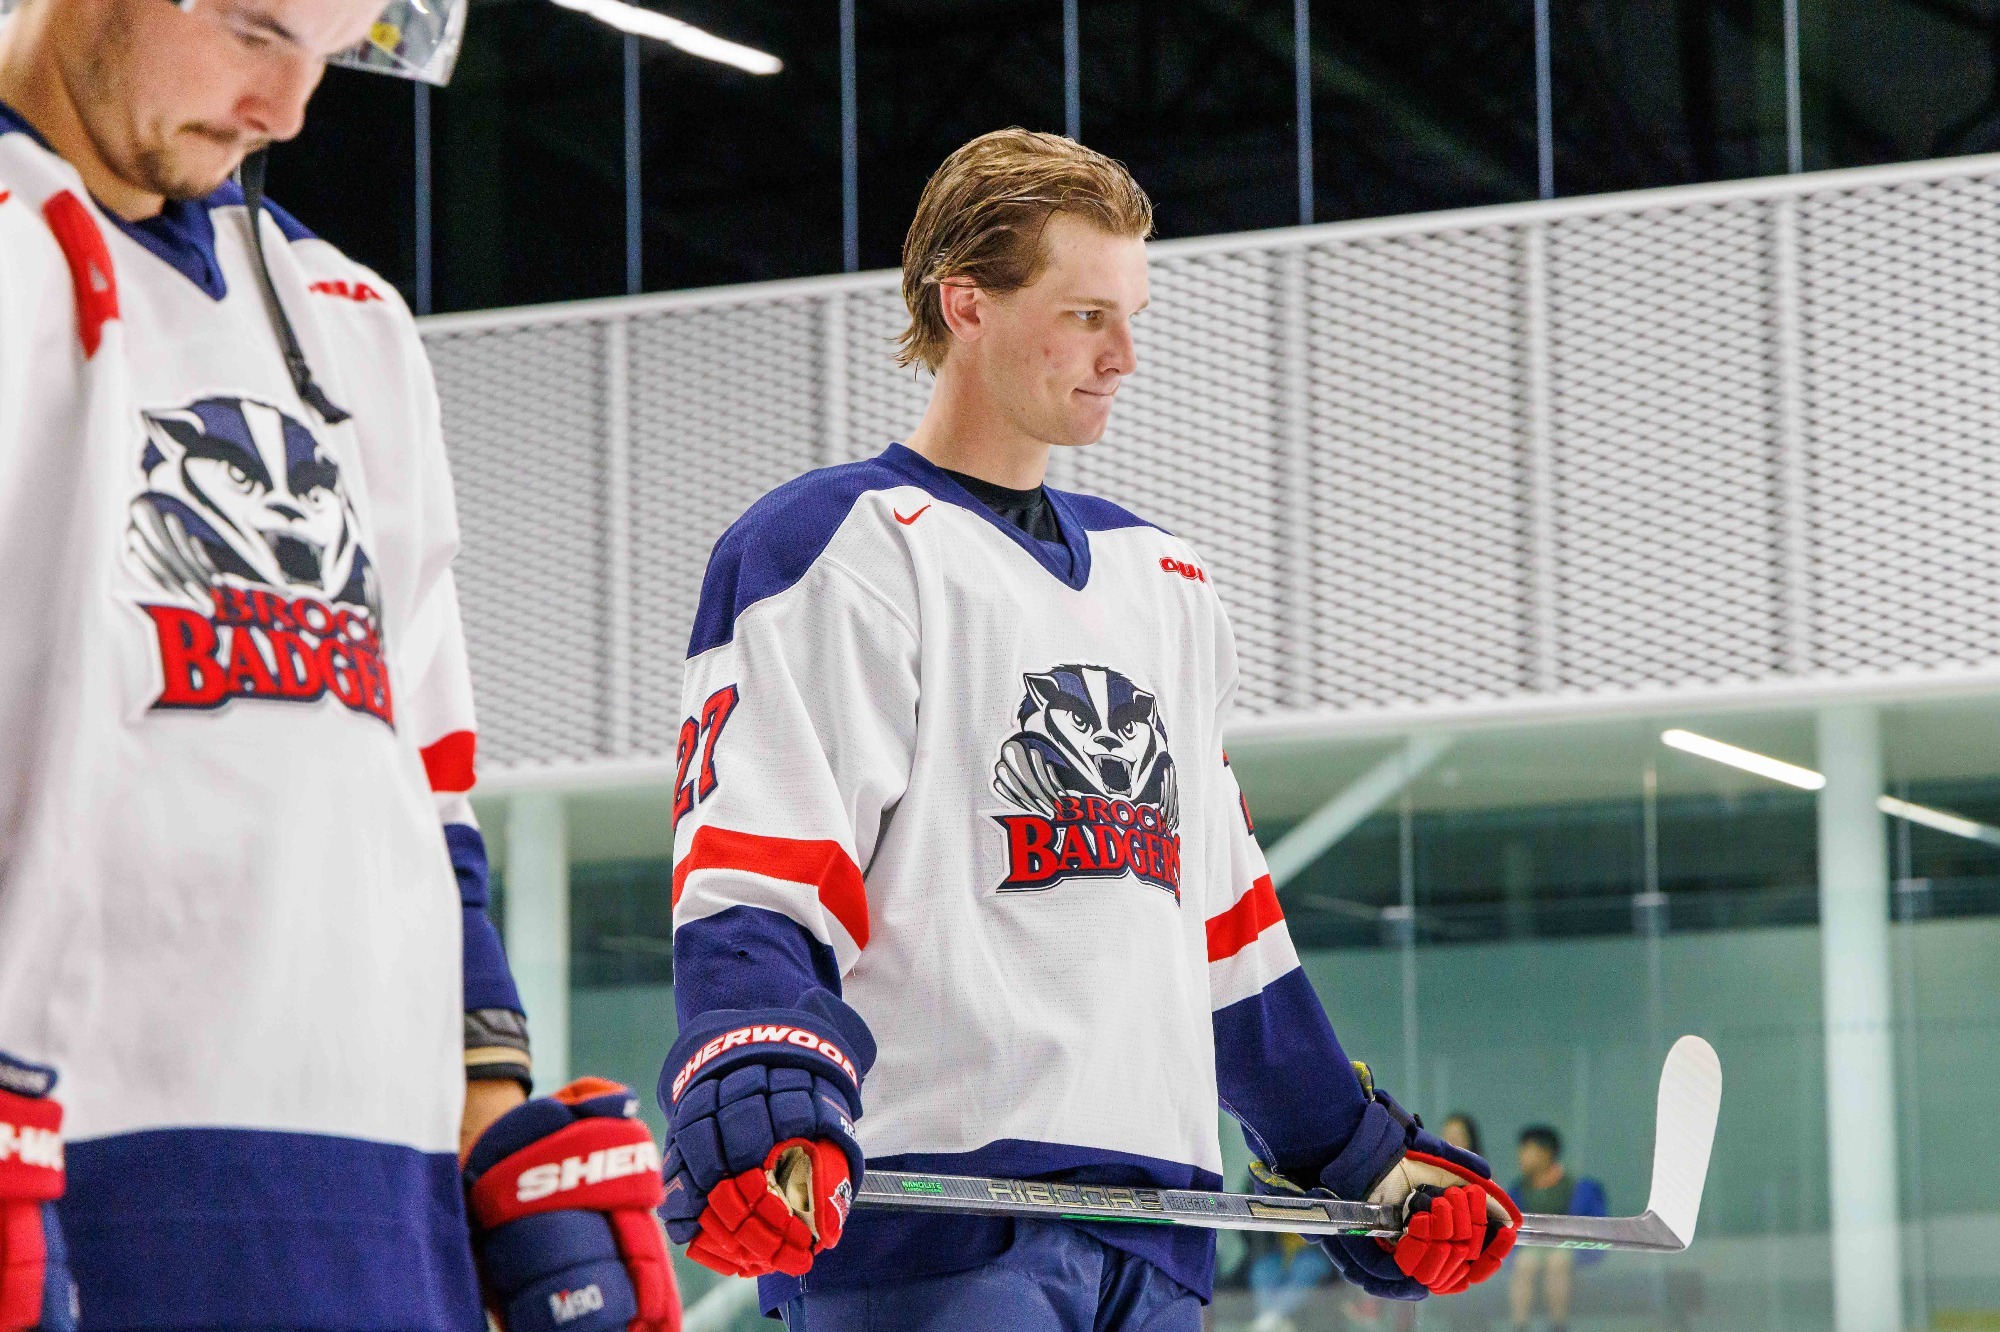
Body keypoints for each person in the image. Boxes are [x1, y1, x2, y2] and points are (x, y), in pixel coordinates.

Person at [656, 127, 1522, 1332]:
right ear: (965, 303)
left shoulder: (1162, 579)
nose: (1121, 356)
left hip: (1159, 1238)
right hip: (939, 1233)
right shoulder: (840, 546)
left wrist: (1355, 1152)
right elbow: (761, 868)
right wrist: (759, 1073)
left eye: (1131, 315)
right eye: (1082, 316)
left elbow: (1219, 934)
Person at [0, 0, 676, 1327]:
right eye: (260, 32)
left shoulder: (351, 318)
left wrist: (495, 1113)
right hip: (77, 1145)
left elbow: (424, 773)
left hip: (381, 1173)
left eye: (332, 49)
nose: (290, 106)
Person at [1507, 1126, 1608, 1332]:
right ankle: (1520, 1326)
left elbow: (1595, 1225)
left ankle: (1558, 1326)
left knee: (1557, 1262)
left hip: (1568, 1246)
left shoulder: (1578, 1187)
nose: (1521, 1157)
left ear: (1545, 1153)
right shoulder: (1519, 1189)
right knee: (1524, 1263)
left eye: (1527, 1150)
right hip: (1533, 1246)